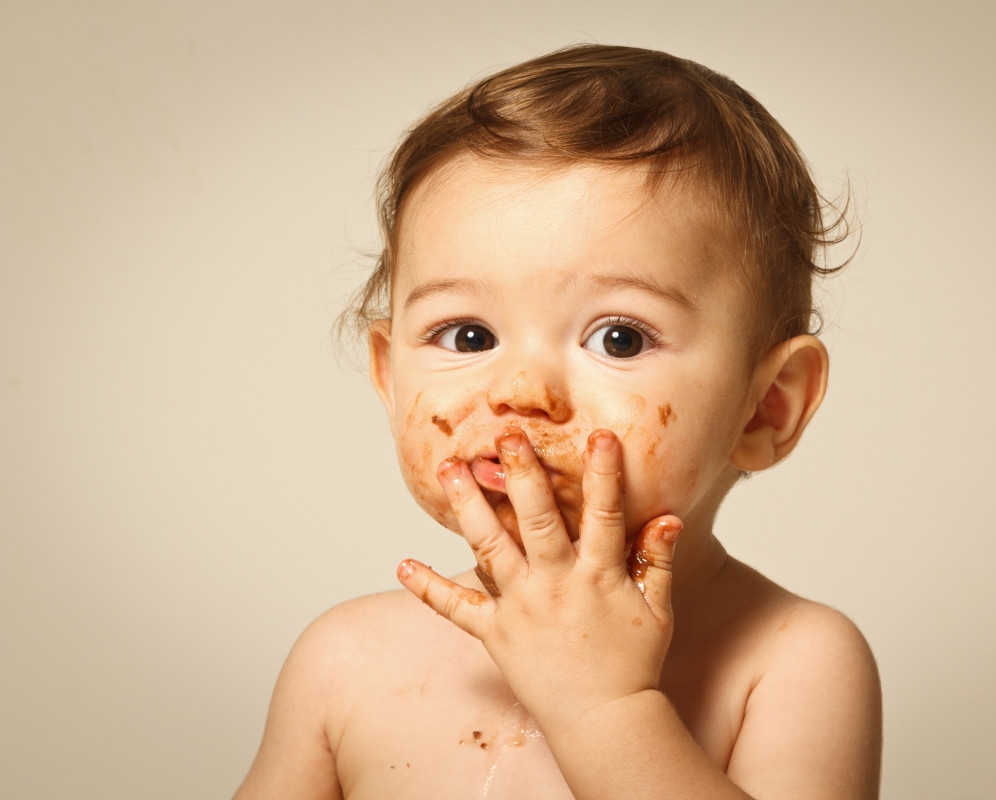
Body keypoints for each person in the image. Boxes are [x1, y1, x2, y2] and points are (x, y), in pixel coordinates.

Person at [234, 44, 882, 800]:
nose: (520, 392)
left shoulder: (790, 664)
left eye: (620, 338)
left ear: (766, 408)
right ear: (387, 376)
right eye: (468, 335)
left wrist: (603, 709)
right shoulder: (342, 663)